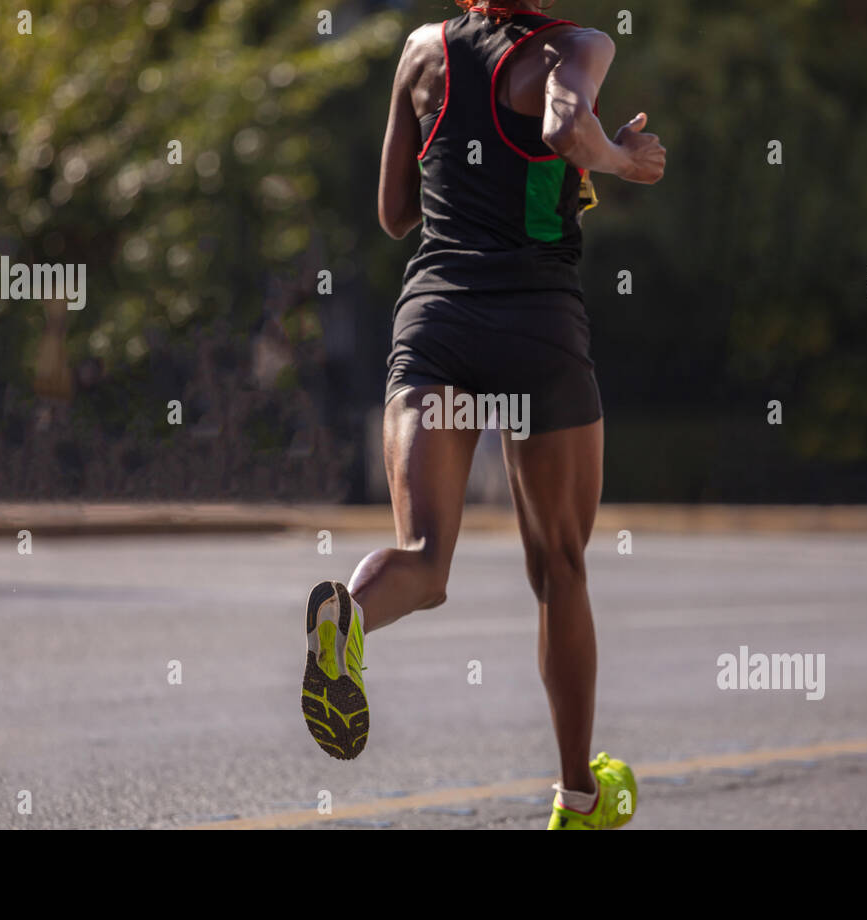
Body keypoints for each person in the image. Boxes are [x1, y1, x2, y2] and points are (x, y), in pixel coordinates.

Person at [300, 0, 665, 830]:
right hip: (538, 326)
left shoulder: (420, 51)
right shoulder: (576, 45)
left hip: (436, 321)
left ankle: (346, 618)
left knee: (425, 560)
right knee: (559, 566)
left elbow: (394, 215)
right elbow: (568, 131)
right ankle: (579, 798)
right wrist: (624, 159)